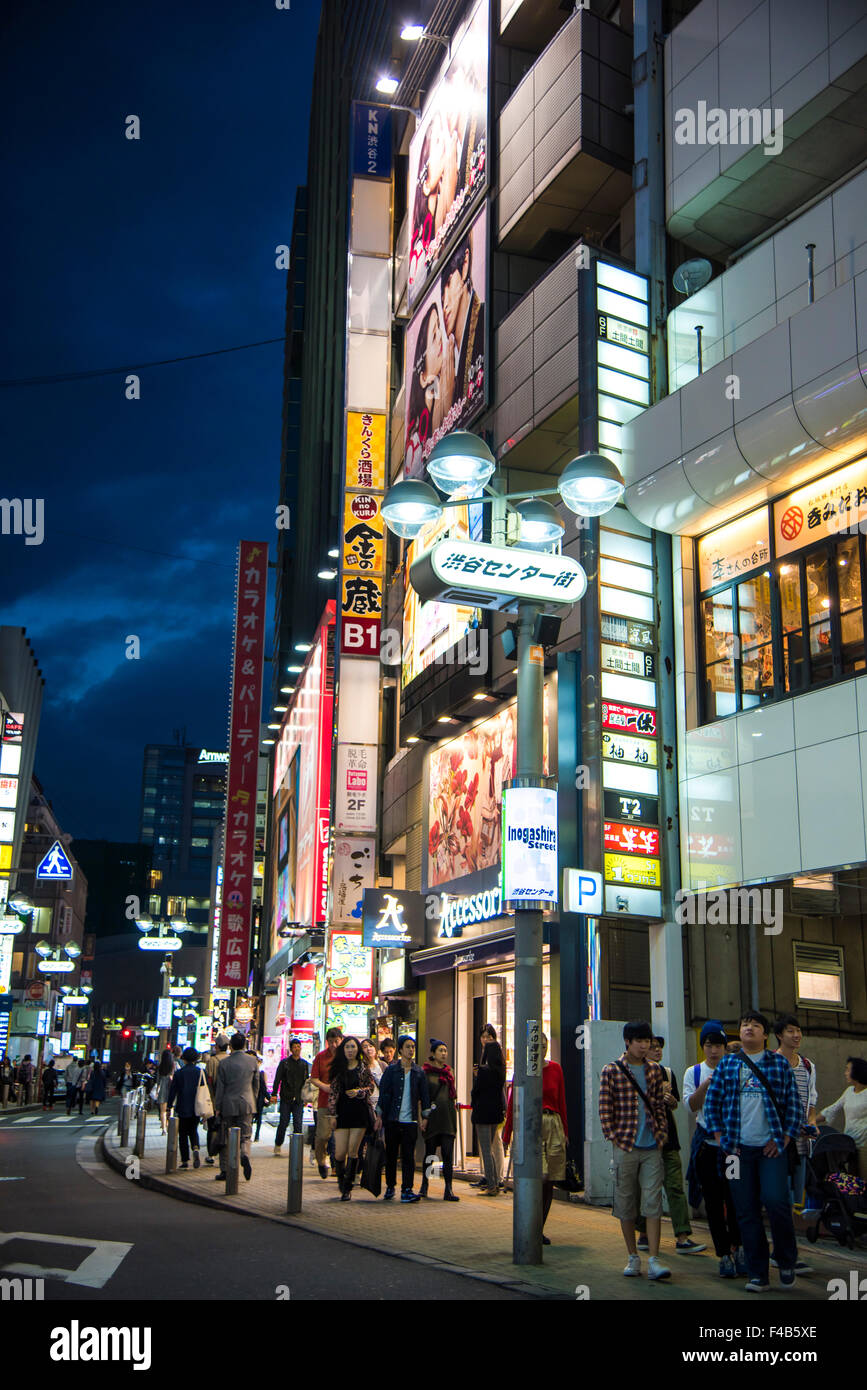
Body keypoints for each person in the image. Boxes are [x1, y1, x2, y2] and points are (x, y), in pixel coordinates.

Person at [703, 1010, 802, 1292]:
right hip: (735, 1152)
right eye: (745, 1024)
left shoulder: (777, 1064)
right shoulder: (728, 1064)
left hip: (771, 1149)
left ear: (765, 1034)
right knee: (744, 1209)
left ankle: (785, 1260)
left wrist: (783, 1139)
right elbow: (713, 1103)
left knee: (776, 1202)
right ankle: (758, 1273)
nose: (748, 1028)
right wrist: (722, 1138)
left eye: (755, 1025)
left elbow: (793, 1104)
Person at [598, 1020, 671, 1281]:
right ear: (627, 1042)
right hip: (626, 1145)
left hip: (652, 1145)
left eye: (647, 1040)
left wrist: (660, 1133)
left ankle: (654, 1258)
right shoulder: (612, 1070)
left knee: (652, 1202)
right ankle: (632, 1256)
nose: (645, 1045)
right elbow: (605, 1108)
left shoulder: (654, 1070)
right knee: (626, 1201)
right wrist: (614, 1137)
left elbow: (658, 1105)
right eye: (639, 1040)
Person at [683, 1021, 745, 1278]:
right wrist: (706, 1084)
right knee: (713, 1201)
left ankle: (739, 1247)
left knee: (736, 1199)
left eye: (718, 1045)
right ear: (703, 1047)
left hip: (732, 1149)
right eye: (709, 1045)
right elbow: (690, 1106)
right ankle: (724, 1254)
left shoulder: (737, 1069)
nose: (714, 1050)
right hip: (707, 1147)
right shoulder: (694, 1073)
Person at [635, 1037, 706, 1256]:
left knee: (675, 1186)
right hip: (645, 1140)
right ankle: (644, 1234)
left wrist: (670, 1100)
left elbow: (675, 1103)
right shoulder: (635, 1074)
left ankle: (683, 1236)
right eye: (653, 1048)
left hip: (668, 1140)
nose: (657, 1052)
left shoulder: (667, 1073)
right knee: (647, 1189)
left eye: (659, 1048)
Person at [503, 1033, 569, 1242]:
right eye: (536, 1045)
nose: (541, 1048)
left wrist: (566, 1132)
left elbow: (562, 1101)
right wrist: (507, 1134)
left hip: (553, 1124)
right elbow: (514, 1103)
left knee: (550, 1180)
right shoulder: (523, 1070)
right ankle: (530, 1226)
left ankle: (538, 1228)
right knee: (539, 1176)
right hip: (531, 1125)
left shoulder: (556, 1069)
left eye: (544, 1044)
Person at [772, 1014, 819, 1273]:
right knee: (780, 1200)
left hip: (801, 1144)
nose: (796, 1035)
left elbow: (811, 1102)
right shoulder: (771, 1062)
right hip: (778, 1142)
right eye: (790, 1031)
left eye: (798, 1030)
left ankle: (782, 1251)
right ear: (780, 1035)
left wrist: (812, 1122)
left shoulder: (808, 1066)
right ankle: (786, 1254)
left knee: (792, 1201)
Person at [375, 1035, 431, 1201]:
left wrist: (425, 1116)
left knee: (408, 1156)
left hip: (410, 1121)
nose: (411, 1050)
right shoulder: (392, 1071)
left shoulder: (418, 1072)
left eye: (413, 1047)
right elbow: (384, 1094)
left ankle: (407, 1189)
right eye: (408, 1046)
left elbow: (425, 1096)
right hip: (392, 1119)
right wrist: (379, 1115)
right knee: (391, 1155)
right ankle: (391, 1186)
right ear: (400, 1050)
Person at [437, 234, 484, 423]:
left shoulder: (481, 325)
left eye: (448, 283)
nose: (444, 301)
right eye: (441, 291)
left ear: (465, 265)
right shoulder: (452, 366)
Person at [327, 1036, 376, 1200]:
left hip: (359, 1112)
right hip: (342, 1113)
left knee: (353, 1151)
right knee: (340, 1153)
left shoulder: (363, 1067)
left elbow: (371, 1087)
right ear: (343, 1049)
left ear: (358, 1050)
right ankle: (341, 1181)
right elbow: (333, 1093)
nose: (350, 1050)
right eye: (347, 1047)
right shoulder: (338, 1068)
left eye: (353, 1047)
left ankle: (347, 1187)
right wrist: (332, 1114)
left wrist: (359, 1092)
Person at [214, 1034, 259, 1182]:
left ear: (231, 1046)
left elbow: (220, 1088)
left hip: (228, 1104)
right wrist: (253, 1098)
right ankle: (245, 1154)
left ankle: (227, 1170)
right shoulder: (253, 1061)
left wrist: (218, 1107)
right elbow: (256, 1085)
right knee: (245, 1136)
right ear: (245, 1045)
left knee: (227, 1138)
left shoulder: (224, 1063)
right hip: (247, 1102)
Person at [421, 1040, 460, 1202]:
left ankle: (448, 1189)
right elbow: (423, 1097)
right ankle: (426, 1185)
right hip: (432, 1117)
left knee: (447, 1153)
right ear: (433, 1053)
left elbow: (453, 1093)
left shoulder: (450, 1071)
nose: (444, 1053)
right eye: (440, 1051)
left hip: (448, 1117)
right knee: (431, 1153)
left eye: (445, 1050)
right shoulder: (425, 1072)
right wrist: (423, 1117)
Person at [816, 1056, 867, 1179]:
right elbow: (832, 1109)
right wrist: (811, 1121)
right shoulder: (849, 1091)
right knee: (853, 1179)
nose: (845, 1073)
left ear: (857, 1072)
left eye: (848, 1070)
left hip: (865, 1144)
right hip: (849, 1144)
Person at [470, 1024, 506, 1195]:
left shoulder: (484, 1071)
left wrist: (477, 1077)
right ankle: (493, 1181)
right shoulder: (500, 1071)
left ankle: (492, 1185)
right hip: (495, 1113)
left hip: (483, 1113)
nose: (485, 1040)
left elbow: (476, 1091)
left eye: (488, 1037)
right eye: (483, 1036)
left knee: (486, 1149)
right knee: (490, 1148)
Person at [310, 1027, 343, 1179]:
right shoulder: (321, 1057)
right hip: (325, 1102)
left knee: (342, 1137)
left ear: (341, 1040)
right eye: (331, 1042)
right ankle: (321, 1161)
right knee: (322, 1135)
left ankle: (340, 1167)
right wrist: (324, 1086)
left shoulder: (347, 1056)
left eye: (336, 1041)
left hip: (343, 1103)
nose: (334, 1045)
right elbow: (314, 1077)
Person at [271, 1038, 309, 1156]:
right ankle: (278, 1143)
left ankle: (296, 1148)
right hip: (286, 1097)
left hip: (298, 1098)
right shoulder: (285, 1063)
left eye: (298, 1046)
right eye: (295, 1046)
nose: (297, 1049)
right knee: (284, 1122)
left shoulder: (304, 1064)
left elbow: (306, 1081)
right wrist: (274, 1094)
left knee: (298, 1123)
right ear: (291, 1049)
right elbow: (278, 1079)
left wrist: (306, 1097)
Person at [168, 1046, 204, 1169]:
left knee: (182, 1133)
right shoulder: (200, 1072)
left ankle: (184, 1160)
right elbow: (205, 1089)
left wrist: (168, 1106)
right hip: (197, 1106)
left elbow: (173, 1091)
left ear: (184, 1059)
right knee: (193, 1130)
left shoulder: (179, 1073)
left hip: (183, 1106)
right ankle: (195, 1147)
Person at [204, 1033, 230, 1165]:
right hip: (230, 1101)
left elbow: (209, 1081)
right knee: (227, 1129)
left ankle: (212, 1154)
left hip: (214, 1100)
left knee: (213, 1128)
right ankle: (225, 1156)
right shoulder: (231, 1060)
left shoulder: (212, 1061)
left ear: (218, 1046)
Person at [156, 1048, 175, 1134]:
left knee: (162, 1111)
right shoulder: (173, 1065)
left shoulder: (160, 1066)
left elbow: (158, 1080)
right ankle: (170, 1126)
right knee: (171, 1109)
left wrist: (157, 1090)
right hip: (171, 1088)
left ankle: (164, 1129)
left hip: (163, 1088)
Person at [253, 1058, 269, 1143]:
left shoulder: (261, 1074)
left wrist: (268, 1097)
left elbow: (263, 1087)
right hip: (254, 1099)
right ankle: (253, 1135)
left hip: (259, 1099)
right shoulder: (256, 1073)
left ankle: (257, 1135)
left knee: (259, 1118)